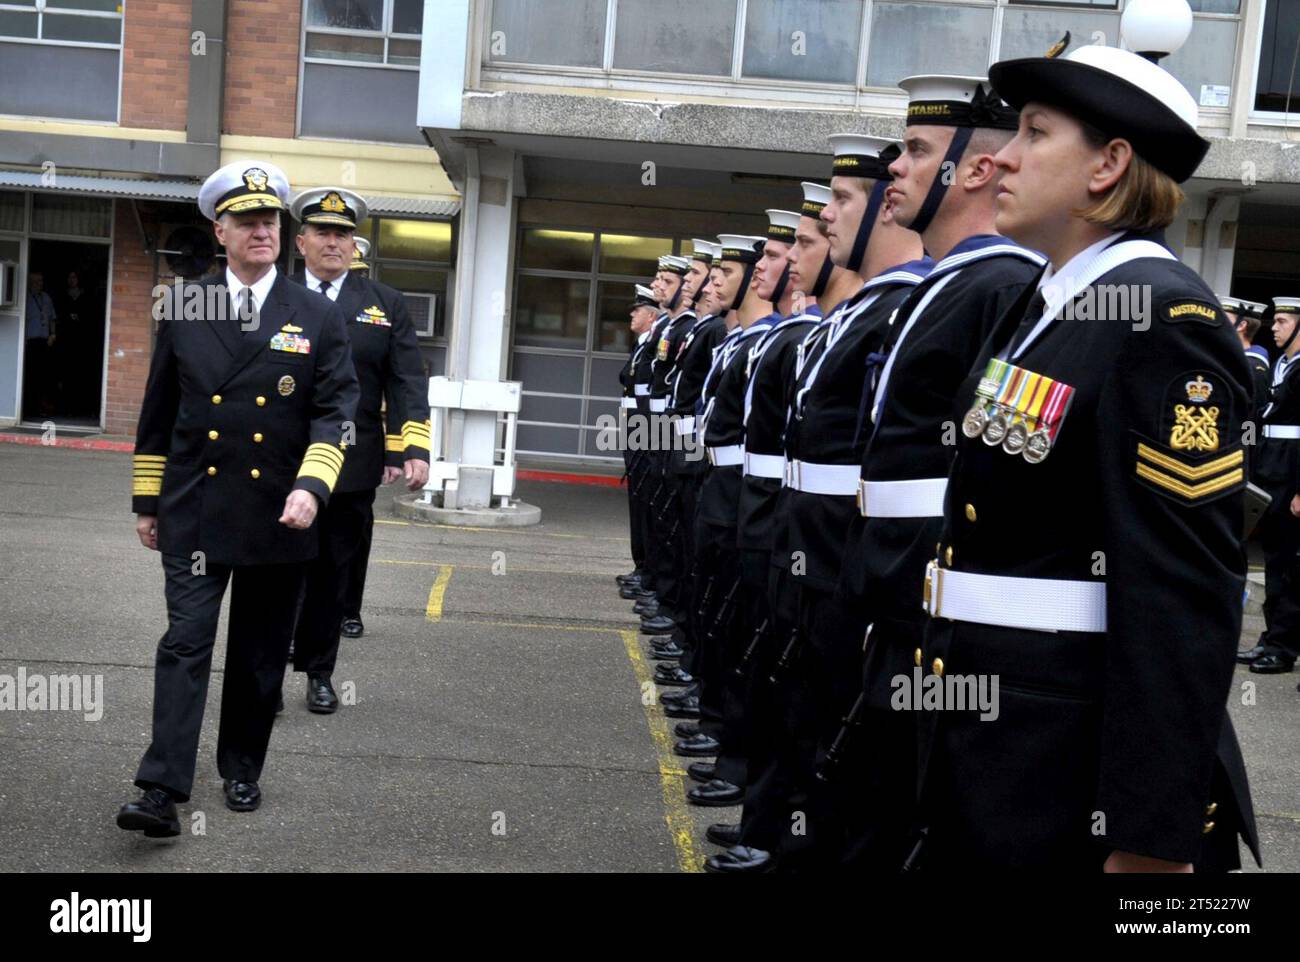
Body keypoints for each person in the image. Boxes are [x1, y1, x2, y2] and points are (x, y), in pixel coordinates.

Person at [912, 22, 1259, 871]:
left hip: (1064, 767)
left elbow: (1179, 597)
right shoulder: (1046, 302)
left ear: (1107, 165)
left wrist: (1150, 837)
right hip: (996, 732)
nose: (1001, 158)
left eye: (1034, 133)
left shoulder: (1161, 319)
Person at [835, 75, 1046, 870]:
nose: (896, 166)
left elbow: (999, 465)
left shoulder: (1000, 285)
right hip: (895, 593)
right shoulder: (953, 284)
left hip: (927, 605)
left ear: (975, 171)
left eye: (919, 152)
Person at [117, 160, 359, 836]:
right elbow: (158, 410)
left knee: (258, 656)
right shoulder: (186, 304)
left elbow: (336, 412)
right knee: (186, 643)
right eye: (247, 221)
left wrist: (314, 486)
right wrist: (147, 501)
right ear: (219, 231)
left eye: (270, 220)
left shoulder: (315, 311)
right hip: (195, 508)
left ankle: (242, 766)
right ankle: (161, 790)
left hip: (280, 516)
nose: (262, 230)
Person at [285, 187, 431, 713]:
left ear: (355, 244)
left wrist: (412, 447)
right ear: (300, 241)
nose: (333, 242)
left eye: (342, 234)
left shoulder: (384, 304)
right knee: (277, 568)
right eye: (322, 232)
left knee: (330, 571)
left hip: (353, 459)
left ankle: (318, 671)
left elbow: (407, 380)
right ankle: (267, 664)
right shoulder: (275, 295)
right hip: (282, 458)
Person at [1241, 297, 1300, 677]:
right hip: (1275, 466)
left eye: (1281, 321)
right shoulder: (1283, 364)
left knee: (1292, 565)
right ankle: (1271, 637)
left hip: (1294, 470)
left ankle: (1284, 646)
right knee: (1277, 560)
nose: (1273, 328)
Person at [1220, 296, 1271, 421]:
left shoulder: (1253, 366)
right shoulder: (1230, 359)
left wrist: (1247, 440)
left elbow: (1253, 415)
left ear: (1241, 325)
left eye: (1223, 318)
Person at [23, 271, 57, 417]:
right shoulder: (26, 298)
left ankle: (40, 408)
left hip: (45, 342)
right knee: (29, 376)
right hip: (30, 342)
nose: (39, 284)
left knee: (43, 377)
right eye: (36, 281)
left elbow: (53, 318)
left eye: (41, 281)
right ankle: (27, 409)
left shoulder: (46, 298)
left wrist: (53, 334)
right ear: (30, 282)